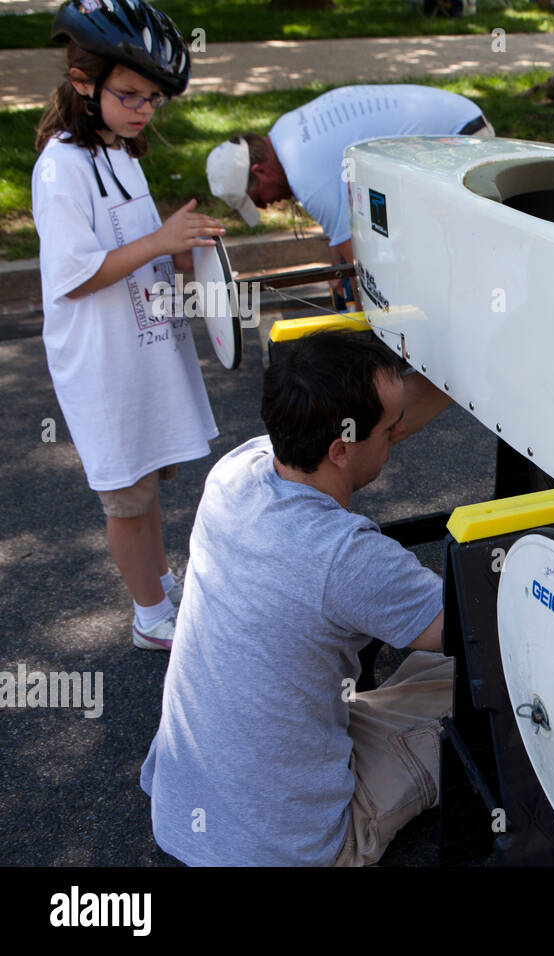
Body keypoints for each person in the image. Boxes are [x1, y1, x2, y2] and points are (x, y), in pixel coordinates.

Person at [140, 330, 456, 866]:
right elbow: (475, 630)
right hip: (294, 849)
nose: (399, 433)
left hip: (182, 807)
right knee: (482, 683)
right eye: (390, 431)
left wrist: (465, 371)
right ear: (340, 450)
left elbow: (377, 426)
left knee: (424, 666)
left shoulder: (234, 474)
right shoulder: (346, 558)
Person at [32, 0, 224, 652]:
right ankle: (149, 616)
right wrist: (159, 241)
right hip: (103, 363)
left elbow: (133, 244)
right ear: (83, 84)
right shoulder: (62, 166)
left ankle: (158, 589)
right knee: (127, 497)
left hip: (141, 347)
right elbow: (75, 275)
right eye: (130, 94)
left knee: (145, 484)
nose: (144, 109)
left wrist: (183, 247)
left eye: (153, 99)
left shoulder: (119, 151)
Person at [205, 85, 493, 290]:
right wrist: (338, 276)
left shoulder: (306, 176)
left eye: (256, 198)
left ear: (260, 171)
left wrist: (357, 319)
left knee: (458, 256)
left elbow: (360, 262)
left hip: (459, 140)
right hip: (457, 121)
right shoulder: (285, 132)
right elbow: (341, 233)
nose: (263, 206)